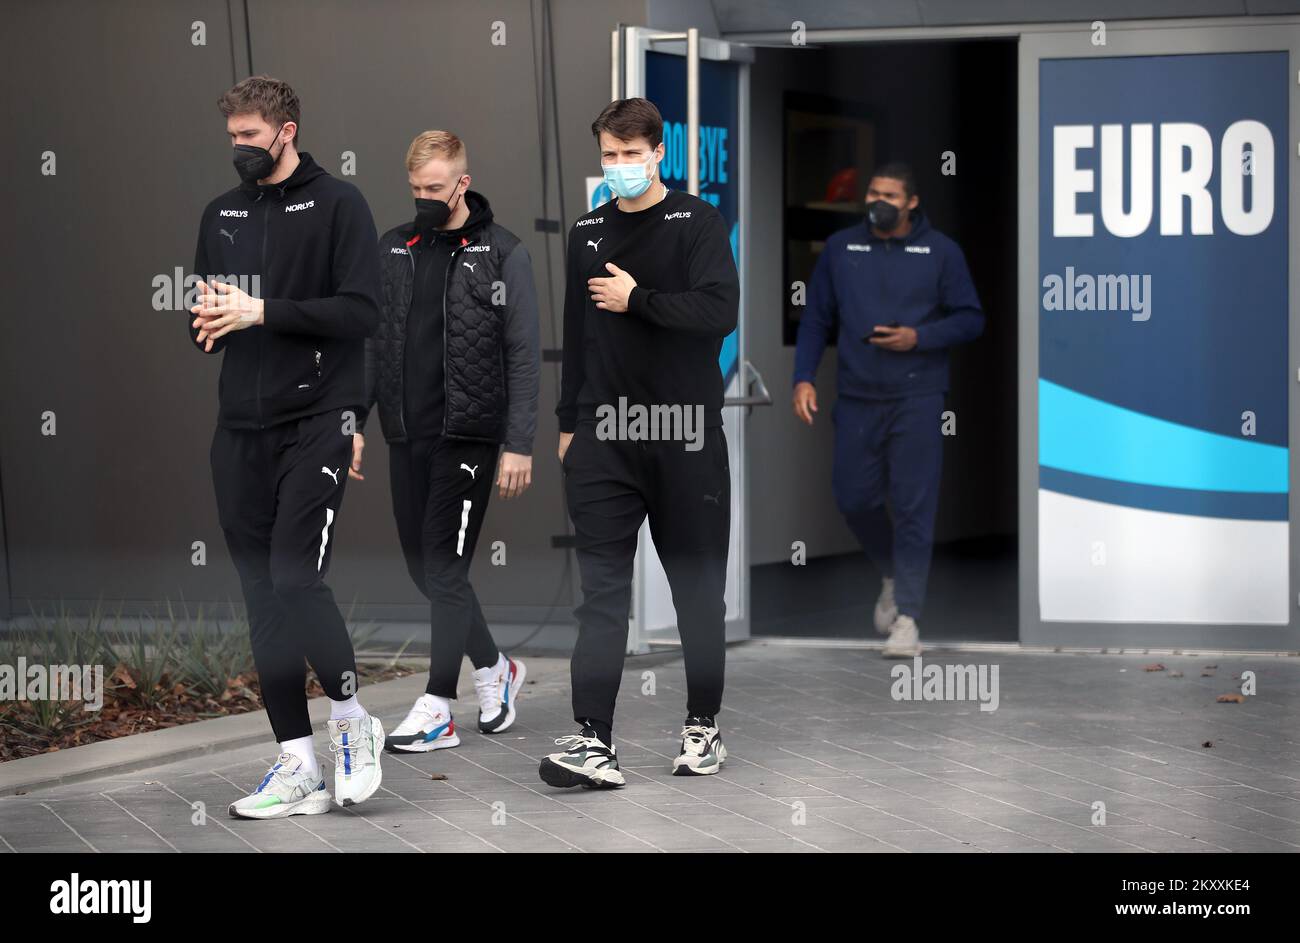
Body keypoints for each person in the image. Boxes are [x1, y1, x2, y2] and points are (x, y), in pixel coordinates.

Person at [188, 76, 385, 818]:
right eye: (231, 137)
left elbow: (362, 310)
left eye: (249, 136)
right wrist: (207, 319)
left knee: (296, 576)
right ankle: (296, 761)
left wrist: (262, 310)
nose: (238, 148)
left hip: (319, 418)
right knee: (263, 597)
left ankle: (351, 721)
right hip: (239, 427)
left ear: (287, 130)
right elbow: (209, 308)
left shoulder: (339, 205)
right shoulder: (222, 212)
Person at [541, 98, 739, 789]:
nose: (619, 168)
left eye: (632, 155)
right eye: (610, 156)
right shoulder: (588, 230)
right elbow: (576, 333)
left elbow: (719, 311)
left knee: (696, 590)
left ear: (659, 154)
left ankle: (702, 727)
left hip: (684, 435)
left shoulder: (697, 221)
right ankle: (593, 739)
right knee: (600, 594)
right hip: (604, 437)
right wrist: (569, 424)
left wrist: (641, 299)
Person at [353, 131, 540, 752]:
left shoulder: (503, 252)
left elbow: (522, 353)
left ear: (462, 182)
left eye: (434, 188)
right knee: (424, 568)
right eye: (415, 189)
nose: (423, 198)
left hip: (470, 436)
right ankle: (497, 669)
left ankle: (438, 705)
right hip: (407, 432)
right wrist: (353, 421)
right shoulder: (394, 248)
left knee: (445, 564)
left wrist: (519, 443)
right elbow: (372, 344)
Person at [792, 162, 984, 658]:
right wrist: (803, 378)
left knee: (915, 507)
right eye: (873, 192)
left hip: (918, 399)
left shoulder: (941, 252)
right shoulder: (841, 248)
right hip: (856, 397)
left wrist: (918, 337)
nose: (879, 200)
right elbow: (816, 318)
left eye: (890, 194)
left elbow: (970, 319)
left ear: (911, 202)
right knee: (853, 496)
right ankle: (892, 572)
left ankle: (908, 620)